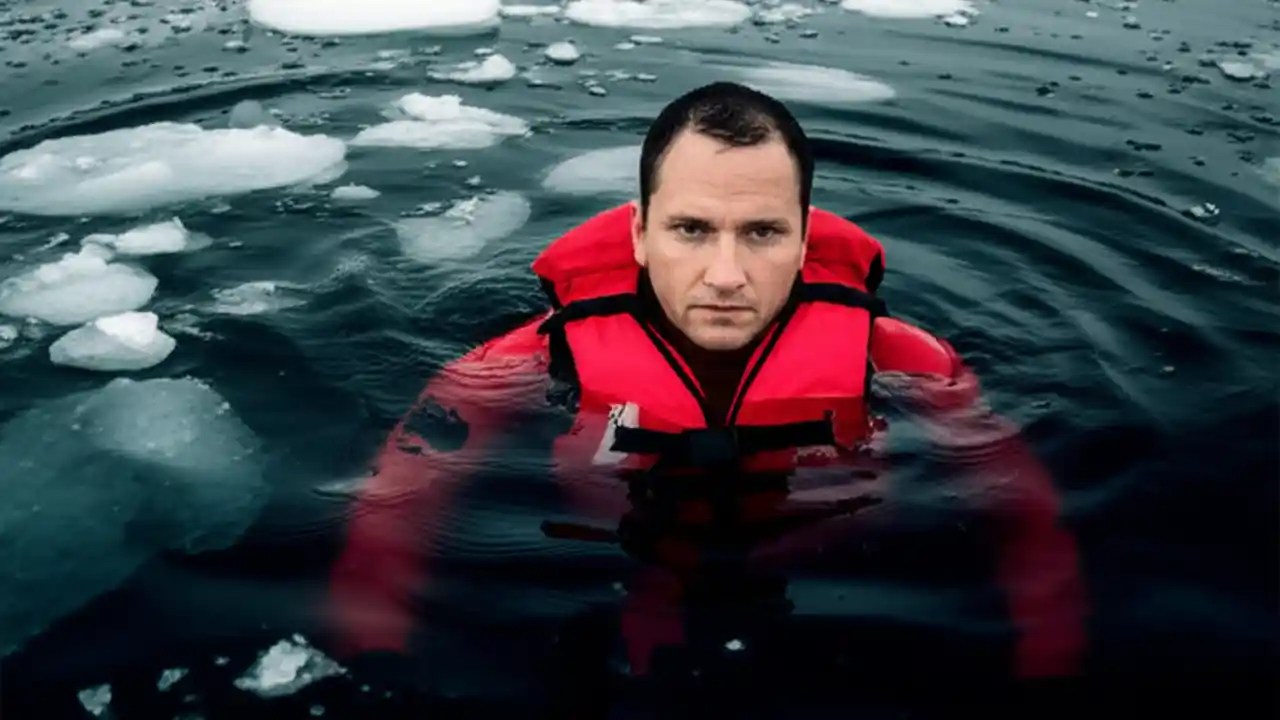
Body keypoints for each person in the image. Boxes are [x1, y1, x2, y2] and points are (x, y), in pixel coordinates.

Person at [325, 82, 1087, 690]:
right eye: (692, 230)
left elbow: (1027, 519)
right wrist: (375, 658)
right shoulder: (516, 364)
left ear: (804, 233)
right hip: (614, 577)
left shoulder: (907, 362)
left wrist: (1050, 668)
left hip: (827, 600)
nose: (726, 276)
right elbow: (396, 508)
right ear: (639, 233)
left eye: (761, 232)